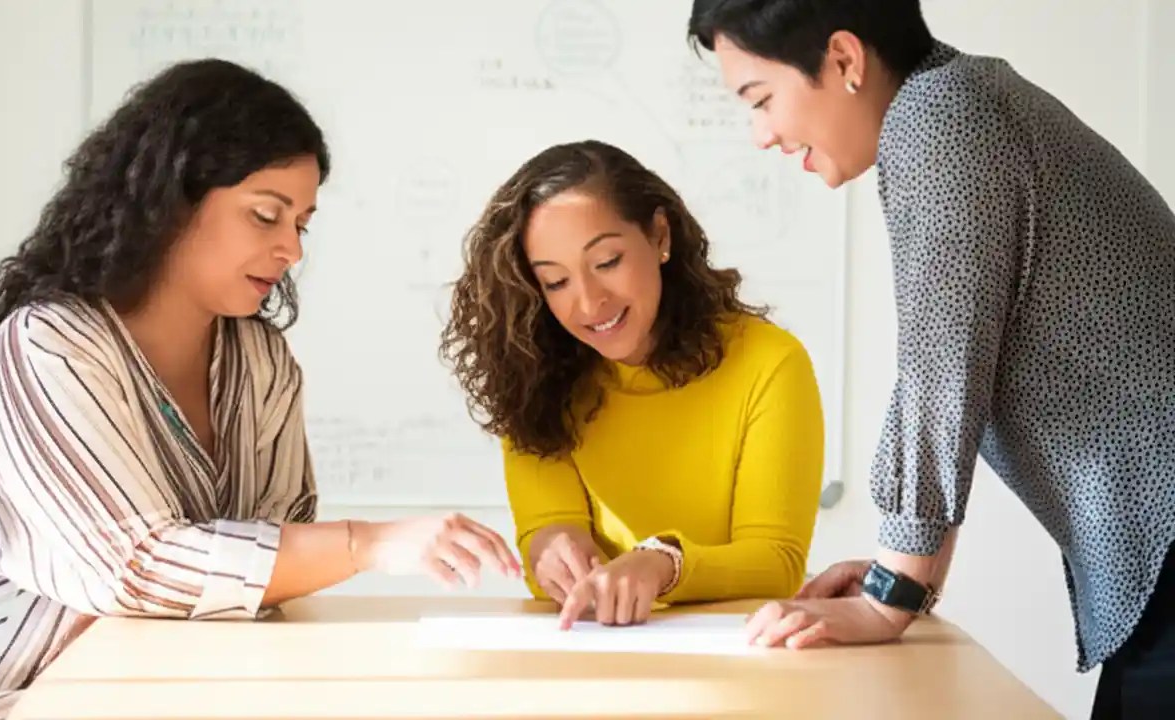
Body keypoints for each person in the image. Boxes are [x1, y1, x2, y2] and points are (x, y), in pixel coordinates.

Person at [0, 59, 519, 719]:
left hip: (150, 691)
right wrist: (370, 542)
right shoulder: (47, 345)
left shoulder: (261, 363)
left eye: (300, 224)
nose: (291, 251)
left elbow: (276, 564)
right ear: (173, 200)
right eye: (265, 216)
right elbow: (134, 566)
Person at [688, 1, 1175, 716]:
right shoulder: (962, 103)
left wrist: (893, 594)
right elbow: (954, 368)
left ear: (845, 60)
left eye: (760, 100)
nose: (763, 135)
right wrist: (900, 577)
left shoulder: (941, 120)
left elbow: (938, 375)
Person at [440, 139, 824, 630]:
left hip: (740, 654)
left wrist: (664, 563)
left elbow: (776, 562)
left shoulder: (769, 363)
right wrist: (551, 551)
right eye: (556, 282)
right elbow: (546, 529)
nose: (589, 302)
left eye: (607, 263)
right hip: (597, 658)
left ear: (660, 235)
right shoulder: (531, 372)